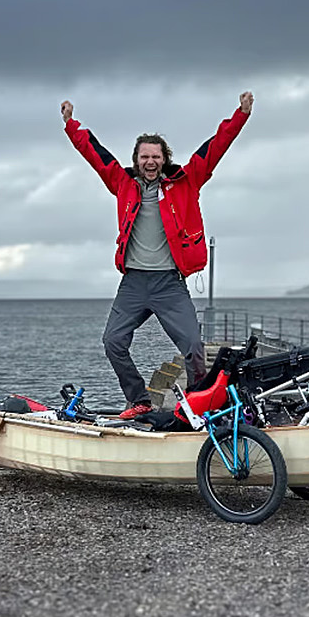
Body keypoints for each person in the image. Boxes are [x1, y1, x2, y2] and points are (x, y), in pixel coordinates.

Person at [61, 91, 254, 419]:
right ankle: (138, 400)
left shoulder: (186, 181)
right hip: (134, 282)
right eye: (144, 157)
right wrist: (70, 125)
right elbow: (95, 153)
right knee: (113, 341)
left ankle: (197, 402)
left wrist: (241, 114)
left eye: (156, 157)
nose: (150, 162)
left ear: (165, 159)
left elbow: (216, 147)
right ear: (137, 160)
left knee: (193, 347)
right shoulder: (122, 183)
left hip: (169, 283)